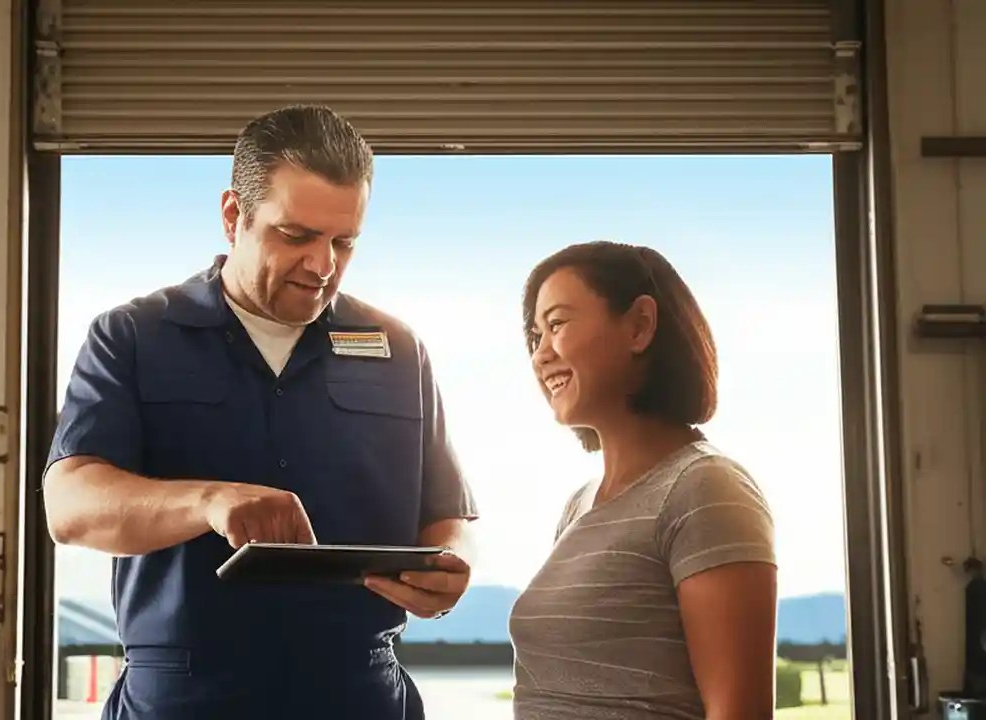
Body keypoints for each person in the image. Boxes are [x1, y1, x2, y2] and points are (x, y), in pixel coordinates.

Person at [43, 105, 478, 720]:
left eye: (343, 242)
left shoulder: (398, 349)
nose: (322, 265)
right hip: (186, 694)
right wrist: (208, 502)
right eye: (296, 235)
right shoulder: (134, 336)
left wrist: (450, 567)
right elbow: (70, 507)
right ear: (233, 216)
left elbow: (448, 514)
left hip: (358, 690)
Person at [509, 241, 778, 719]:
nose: (541, 355)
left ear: (639, 325)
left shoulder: (706, 489)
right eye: (535, 336)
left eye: (557, 325)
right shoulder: (579, 505)